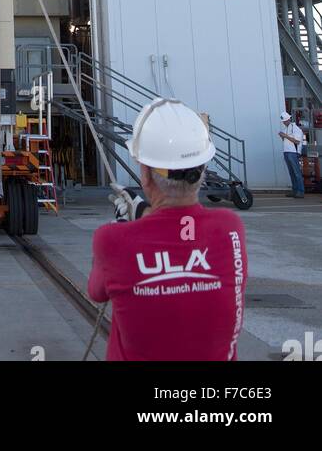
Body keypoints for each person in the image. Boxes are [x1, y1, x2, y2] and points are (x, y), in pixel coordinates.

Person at [88, 98, 247, 362]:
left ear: (145, 174)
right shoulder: (230, 228)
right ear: (203, 170)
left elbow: (97, 291)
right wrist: (143, 214)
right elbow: (180, 230)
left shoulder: (111, 240)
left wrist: (128, 225)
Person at [278, 109, 306, 197]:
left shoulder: (295, 128)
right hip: (287, 151)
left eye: (285, 121)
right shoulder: (286, 129)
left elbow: (297, 141)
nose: (284, 122)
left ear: (289, 119)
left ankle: (300, 191)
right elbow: (287, 141)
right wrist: (283, 137)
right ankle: (295, 190)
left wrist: (285, 136)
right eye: (283, 121)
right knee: (292, 172)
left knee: (296, 172)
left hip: (293, 152)